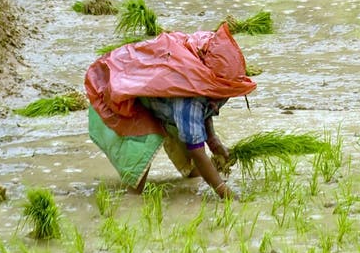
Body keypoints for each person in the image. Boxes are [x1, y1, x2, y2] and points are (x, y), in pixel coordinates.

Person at [84, 23, 257, 199]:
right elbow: (197, 151)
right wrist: (223, 191)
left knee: (194, 172)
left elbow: (206, 110)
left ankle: (194, 178)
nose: (221, 101)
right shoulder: (189, 99)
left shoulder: (205, 86)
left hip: (161, 105)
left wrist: (213, 141)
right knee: (137, 183)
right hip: (118, 102)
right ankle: (129, 204)